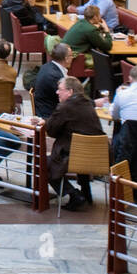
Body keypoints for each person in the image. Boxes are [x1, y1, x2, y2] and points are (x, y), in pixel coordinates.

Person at [40, 75, 105, 210]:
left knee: (42, 163)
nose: (57, 92)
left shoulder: (64, 107)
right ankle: (86, 194)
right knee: (79, 150)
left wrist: (44, 122)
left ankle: (74, 195)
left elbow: (51, 131)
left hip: (74, 157)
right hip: (98, 157)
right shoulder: (88, 104)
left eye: (60, 89)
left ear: (70, 92)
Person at [34, 42, 72, 120]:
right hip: (50, 116)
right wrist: (94, 103)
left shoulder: (47, 66)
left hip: (45, 108)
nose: (73, 58)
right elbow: (69, 100)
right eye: (71, 55)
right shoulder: (55, 76)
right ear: (66, 58)